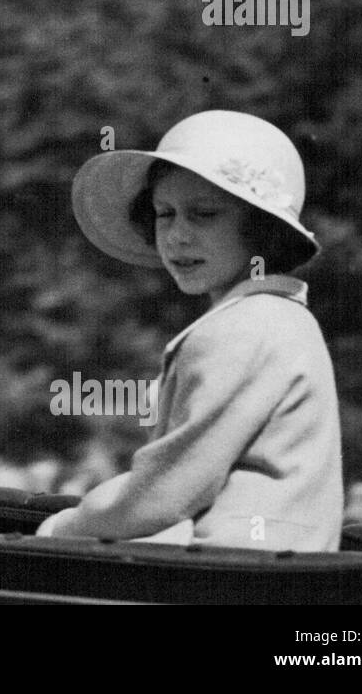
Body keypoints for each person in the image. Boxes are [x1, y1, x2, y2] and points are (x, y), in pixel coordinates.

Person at [36, 110, 343, 551]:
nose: (177, 235)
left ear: (260, 228)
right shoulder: (283, 318)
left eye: (204, 214)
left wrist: (63, 527)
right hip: (274, 570)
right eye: (165, 214)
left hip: (233, 576)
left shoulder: (245, 329)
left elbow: (164, 492)